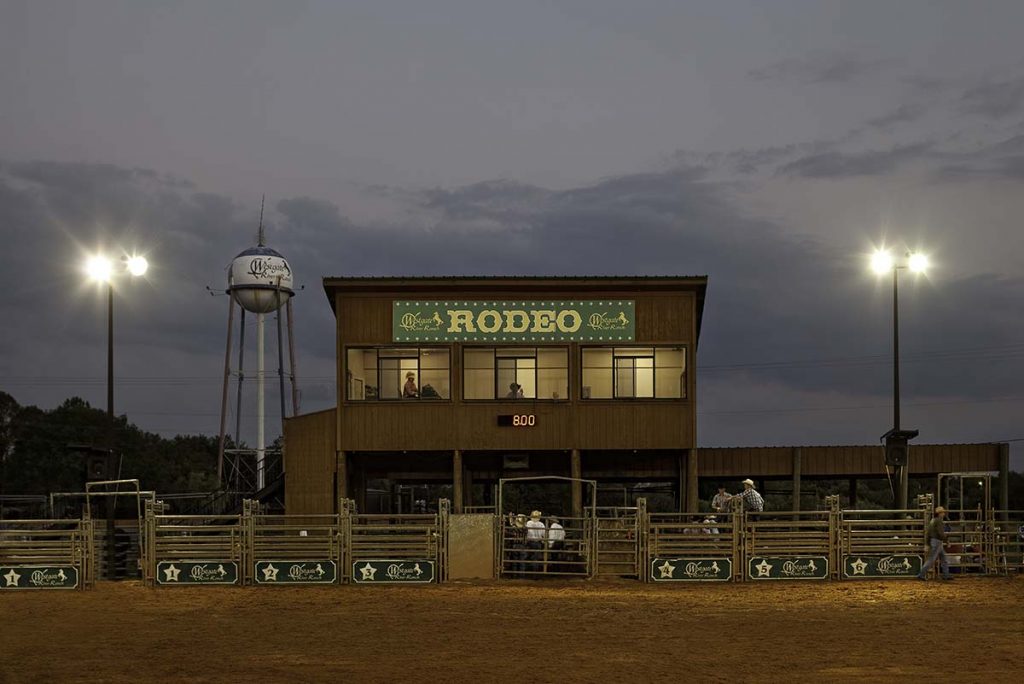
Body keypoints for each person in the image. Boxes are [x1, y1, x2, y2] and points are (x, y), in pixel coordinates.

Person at [917, 506, 954, 580]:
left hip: (935, 541)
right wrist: (946, 540)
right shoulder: (939, 521)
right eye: (943, 512)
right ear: (939, 513)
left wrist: (927, 543)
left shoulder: (933, 520)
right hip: (937, 541)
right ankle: (921, 574)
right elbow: (941, 533)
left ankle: (946, 575)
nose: (944, 513)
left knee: (943, 558)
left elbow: (928, 533)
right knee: (932, 559)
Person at [525, 510, 546, 574]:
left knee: (528, 555)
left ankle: (528, 569)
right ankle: (535, 571)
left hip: (530, 542)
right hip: (538, 542)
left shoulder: (528, 523)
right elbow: (544, 534)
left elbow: (526, 532)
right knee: (536, 557)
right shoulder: (541, 524)